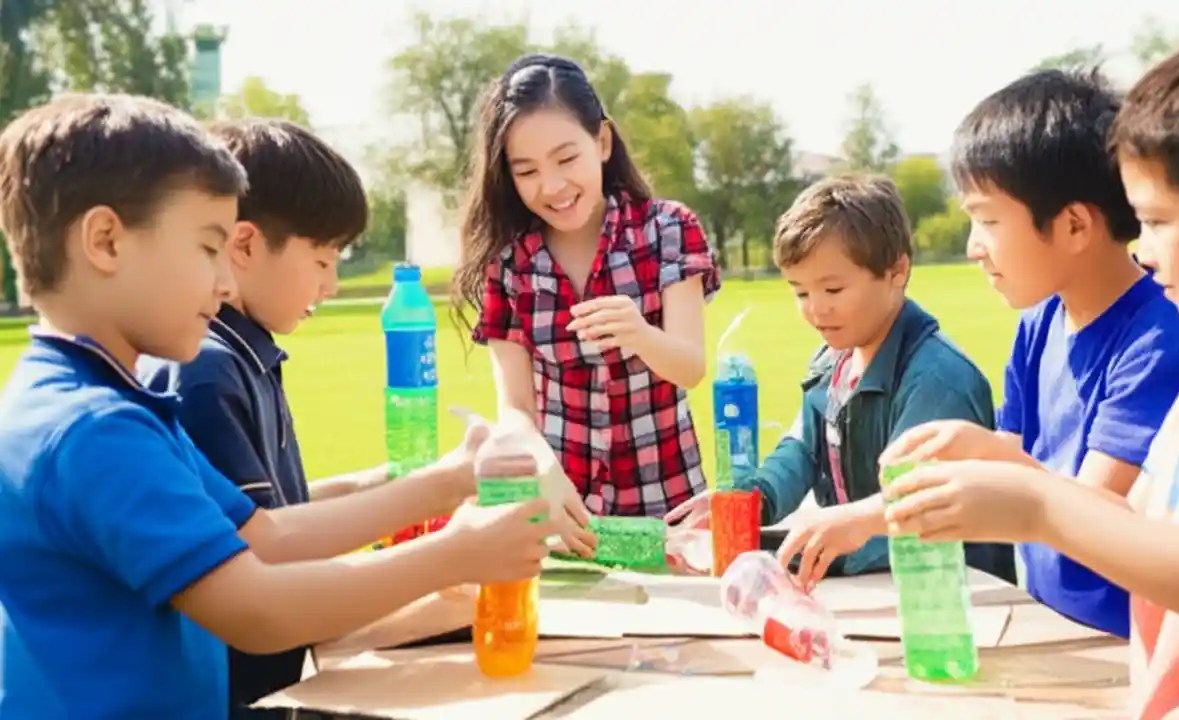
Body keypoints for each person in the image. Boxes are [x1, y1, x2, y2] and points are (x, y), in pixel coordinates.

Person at [0, 93, 551, 719]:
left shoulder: (109, 402)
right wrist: (456, 555)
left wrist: (446, 485)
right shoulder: (92, 429)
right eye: (208, 248)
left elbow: (267, 533)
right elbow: (257, 610)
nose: (223, 280)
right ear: (105, 241)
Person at [881, 31, 1179, 719]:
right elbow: (1128, 520)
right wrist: (999, 475)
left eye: (1154, 222)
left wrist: (1036, 504)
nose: (1143, 252)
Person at [878, 67, 1179, 638]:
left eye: (986, 220)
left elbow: (1096, 510)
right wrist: (870, 515)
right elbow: (1017, 451)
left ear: (1075, 224)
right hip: (1048, 622)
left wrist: (989, 458)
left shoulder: (1160, 335)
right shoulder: (1041, 322)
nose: (973, 248)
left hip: (1120, 640)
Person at [134, 118, 440, 711]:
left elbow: (273, 516)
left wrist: (398, 485)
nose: (329, 286)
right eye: (323, 261)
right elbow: (266, 555)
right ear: (245, 246)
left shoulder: (246, 355)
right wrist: (439, 576)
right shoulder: (205, 370)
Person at [666, 175, 1016, 585]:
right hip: (872, 593)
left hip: (957, 604)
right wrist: (748, 505)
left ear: (896, 271)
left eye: (832, 289)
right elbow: (801, 451)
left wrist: (794, 554)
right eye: (800, 293)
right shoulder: (832, 361)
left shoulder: (938, 381)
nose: (816, 310)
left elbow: (915, 515)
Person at [457, 53, 718, 523]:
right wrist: (543, 471)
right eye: (527, 171)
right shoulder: (510, 265)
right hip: (562, 515)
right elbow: (516, 408)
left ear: (601, 141)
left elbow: (691, 367)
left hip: (670, 514)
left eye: (566, 158)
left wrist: (638, 333)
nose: (552, 186)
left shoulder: (667, 230)